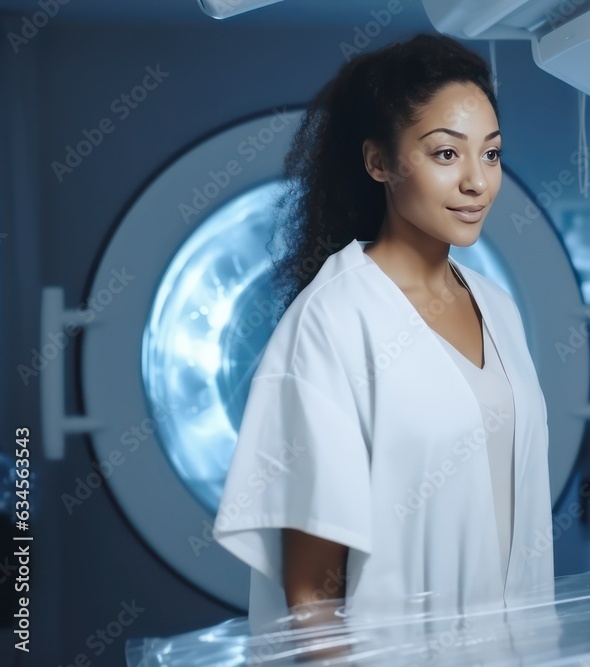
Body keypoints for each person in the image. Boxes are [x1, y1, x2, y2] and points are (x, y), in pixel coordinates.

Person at [212, 33, 555, 638]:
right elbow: (312, 592)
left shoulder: (498, 308)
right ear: (379, 163)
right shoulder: (333, 321)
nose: (478, 182)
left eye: (492, 154)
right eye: (446, 154)